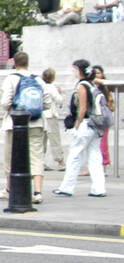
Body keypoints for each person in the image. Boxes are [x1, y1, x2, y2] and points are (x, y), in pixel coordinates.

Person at [0, 51, 45, 203]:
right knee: (36, 156)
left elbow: (5, 102)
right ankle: (37, 192)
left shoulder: (11, 79)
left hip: (14, 124)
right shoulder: (38, 80)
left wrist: (15, 109)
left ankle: (9, 189)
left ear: (14, 63)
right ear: (28, 62)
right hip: (36, 122)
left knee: (11, 157)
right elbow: (46, 102)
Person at [53, 59, 106, 198]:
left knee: (75, 156)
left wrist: (77, 125)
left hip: (85, 124)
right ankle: (99, 188)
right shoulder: (92, 84)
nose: (74, 72)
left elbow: (82, 108)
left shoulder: (82, 86)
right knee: (95, 156)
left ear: (79, 70)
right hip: (96, 125)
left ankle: (67, 187)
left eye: (75, 69)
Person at [41, 68, 65, 170]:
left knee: (42, 140)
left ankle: (40, 162)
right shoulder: (52, 87)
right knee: (55, 139)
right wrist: (60, 93)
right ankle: (60, 162)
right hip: (50, 116)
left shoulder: (40, 87)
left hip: (41, 116)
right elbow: (59, 100)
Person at [92, 65, 112, 167]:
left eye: (98, 73)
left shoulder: (105, 86)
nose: (96, 76)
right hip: (93, 118)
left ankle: (103, 166)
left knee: (103, 143)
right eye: (94, 74)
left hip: (103, 118)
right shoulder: (90, 86)